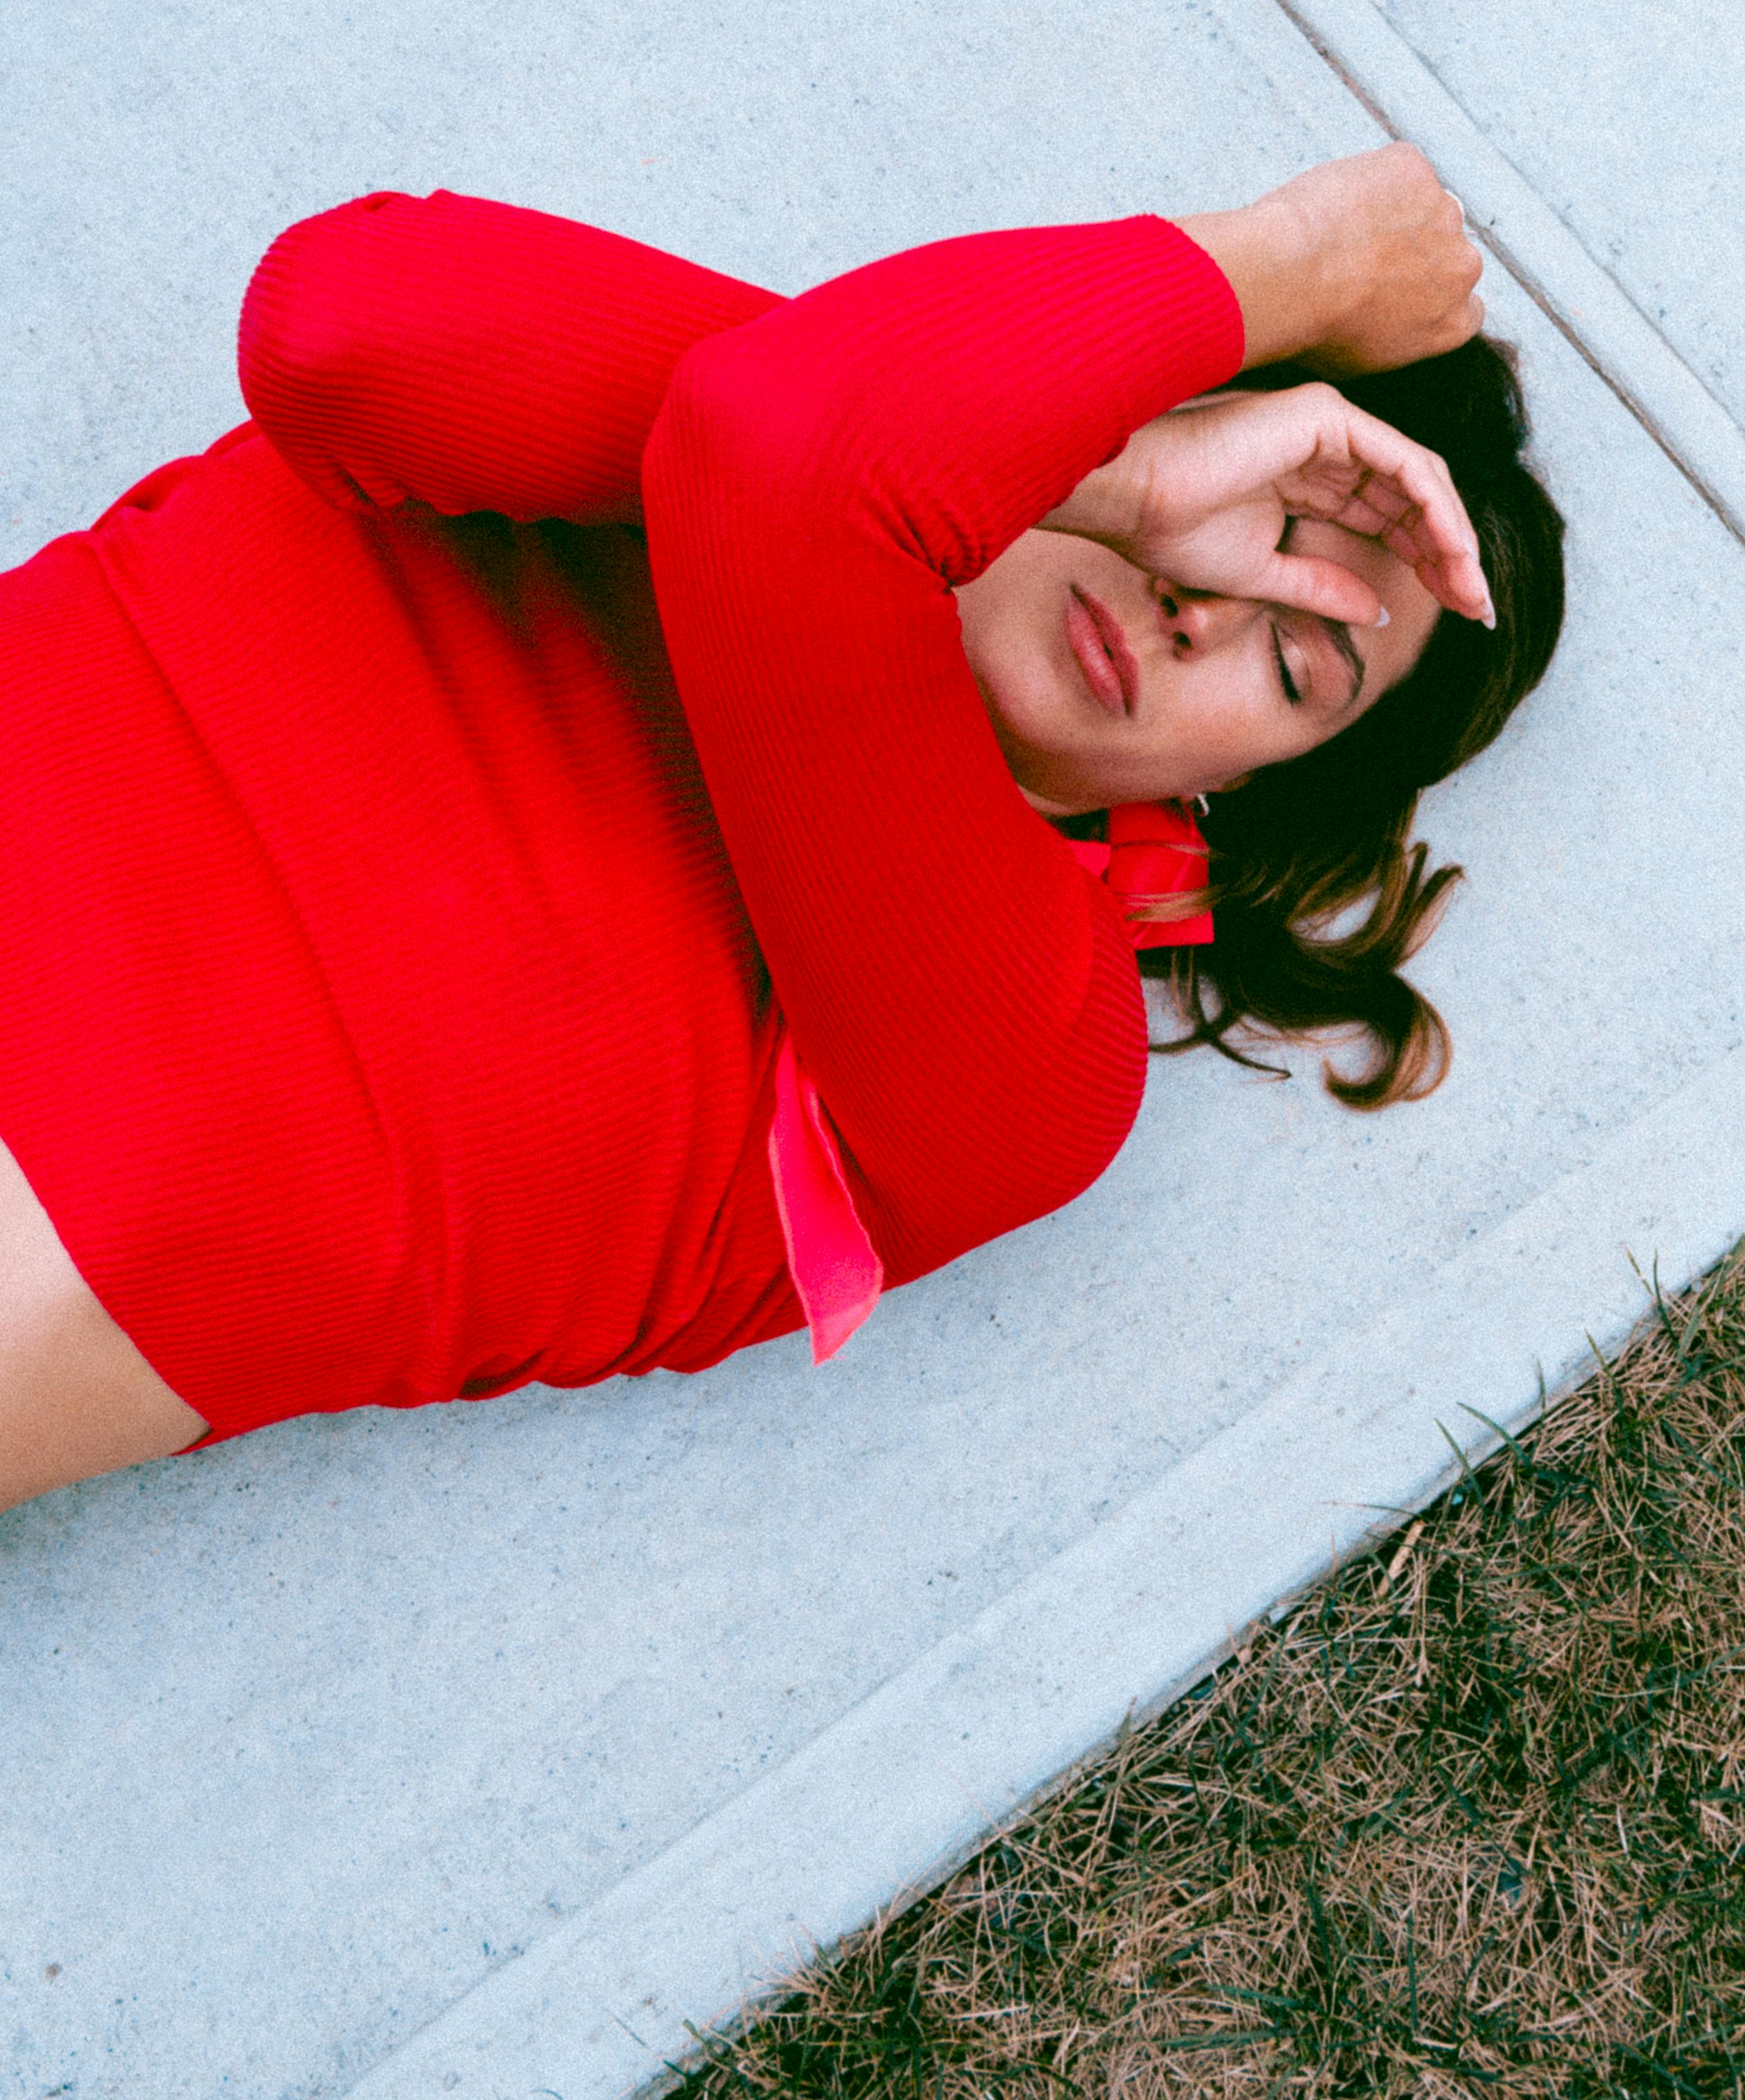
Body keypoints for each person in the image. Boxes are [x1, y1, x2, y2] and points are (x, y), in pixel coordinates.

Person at [0, 144, 1565, 1511]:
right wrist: (1106, 467)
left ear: (1251, 780)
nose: (1198, 607)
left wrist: (1300, 255)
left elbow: (792, 467)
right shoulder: (734, 406)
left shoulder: (1047, 1048)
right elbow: (336, 324)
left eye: (1294, 656)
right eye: (1257, 515)